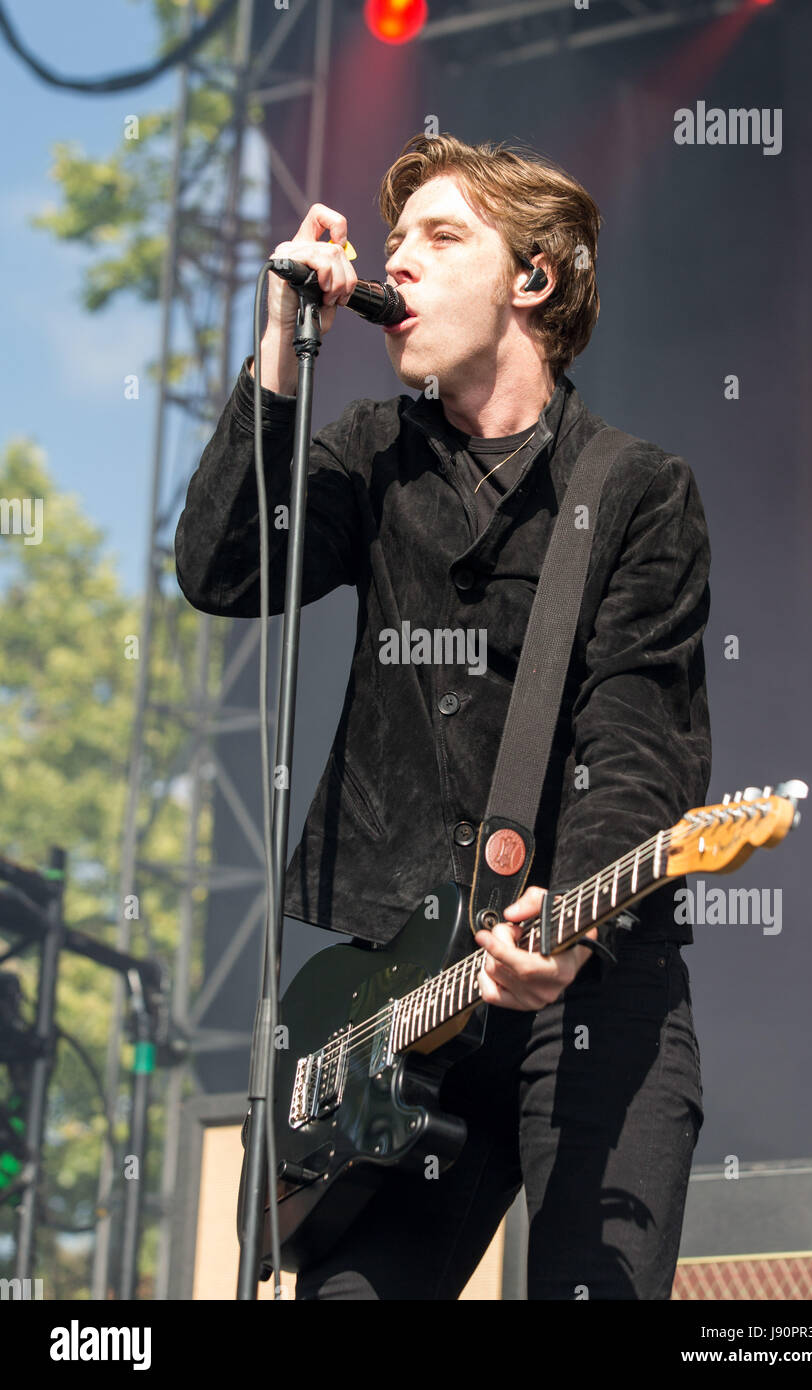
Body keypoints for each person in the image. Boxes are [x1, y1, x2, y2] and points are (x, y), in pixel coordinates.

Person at [174, 132, 710, 1300]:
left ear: (534, 277)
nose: (396, 263)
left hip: (588, 978)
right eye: (394, 239)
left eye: (440, 236)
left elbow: (636, 740)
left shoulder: (632, 491)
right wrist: (276, 349)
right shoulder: (373, 455)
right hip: (401, 1008)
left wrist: (567, 924)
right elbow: (223, 568)